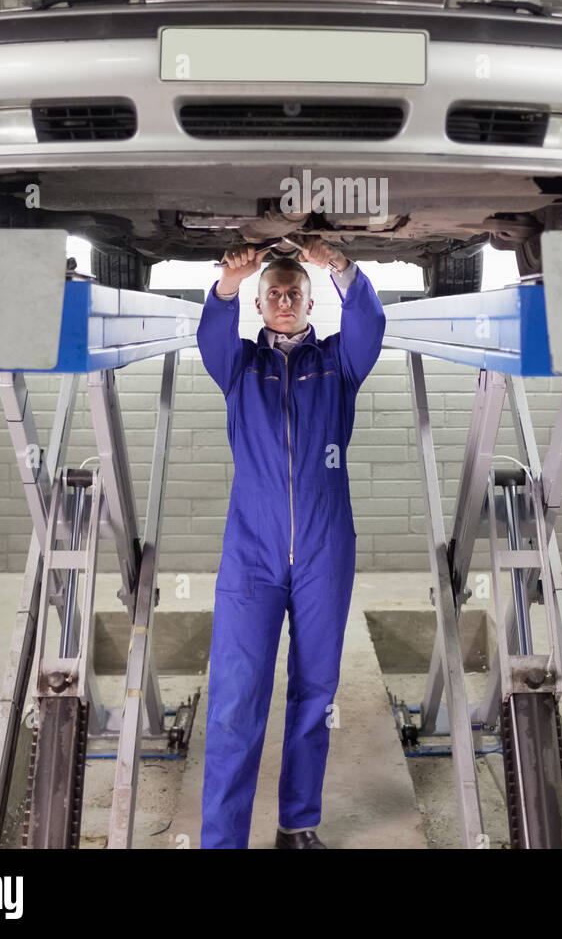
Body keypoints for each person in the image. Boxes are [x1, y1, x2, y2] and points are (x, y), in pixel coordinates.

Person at [197, 235, 385, 849]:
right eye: (272, 294)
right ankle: (223, 839)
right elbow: (211, 335)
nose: (283, 301)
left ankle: (297, 825)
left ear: (309, 302)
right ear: (259, 304)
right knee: (235, 697)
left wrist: (337, 263)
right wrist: (229, 283)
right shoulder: (240, 367)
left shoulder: (337, 365)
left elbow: (370, 322)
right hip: (251, 551)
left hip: (325, 550)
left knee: (315, 692)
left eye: (293, 293)